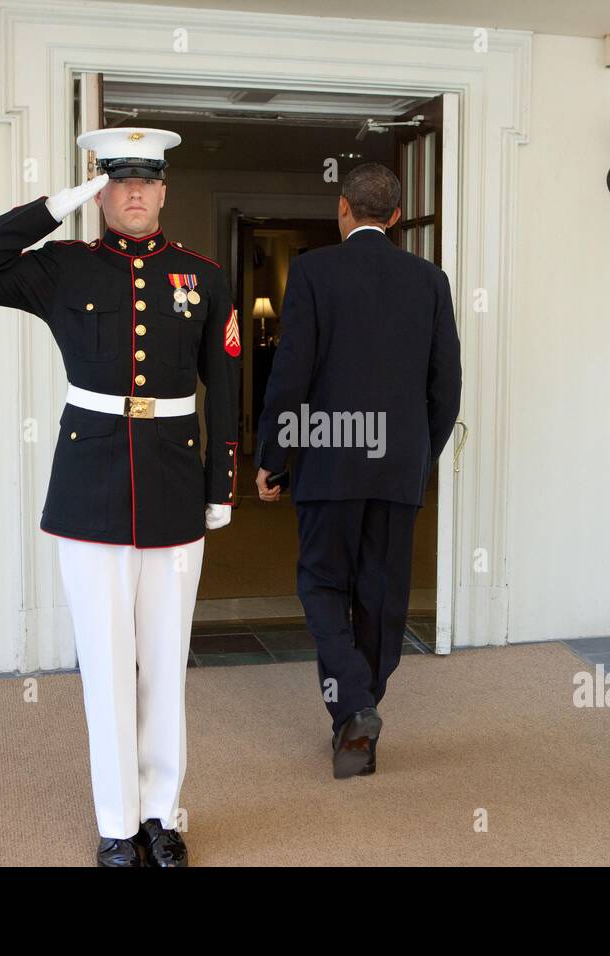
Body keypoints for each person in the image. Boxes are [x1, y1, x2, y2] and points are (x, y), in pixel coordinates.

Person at [0, 127, 240, 866]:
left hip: (173, 481)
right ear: (100, 192)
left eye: (146, 180)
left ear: (165, 190)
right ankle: (118, 823)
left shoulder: (201, 275)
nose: (133, 193)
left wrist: (221, 482)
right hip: (91, 487)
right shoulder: (62, 269)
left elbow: (225, 385)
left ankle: (163, 816)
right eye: (116, 180)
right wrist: (54, 205)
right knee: (106, 663)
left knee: (166, 662)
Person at [253, 162, 462, 778]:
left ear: (343, 208)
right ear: (396, 216)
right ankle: (356, 716)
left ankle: (354, 703)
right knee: (381, 595)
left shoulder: (315, 270)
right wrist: (420, 456)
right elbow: (445, 386)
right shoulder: (430, 279)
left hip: (327, 459)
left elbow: (291, 372)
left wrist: (272, 457)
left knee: (322, 584)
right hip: (397, 466)